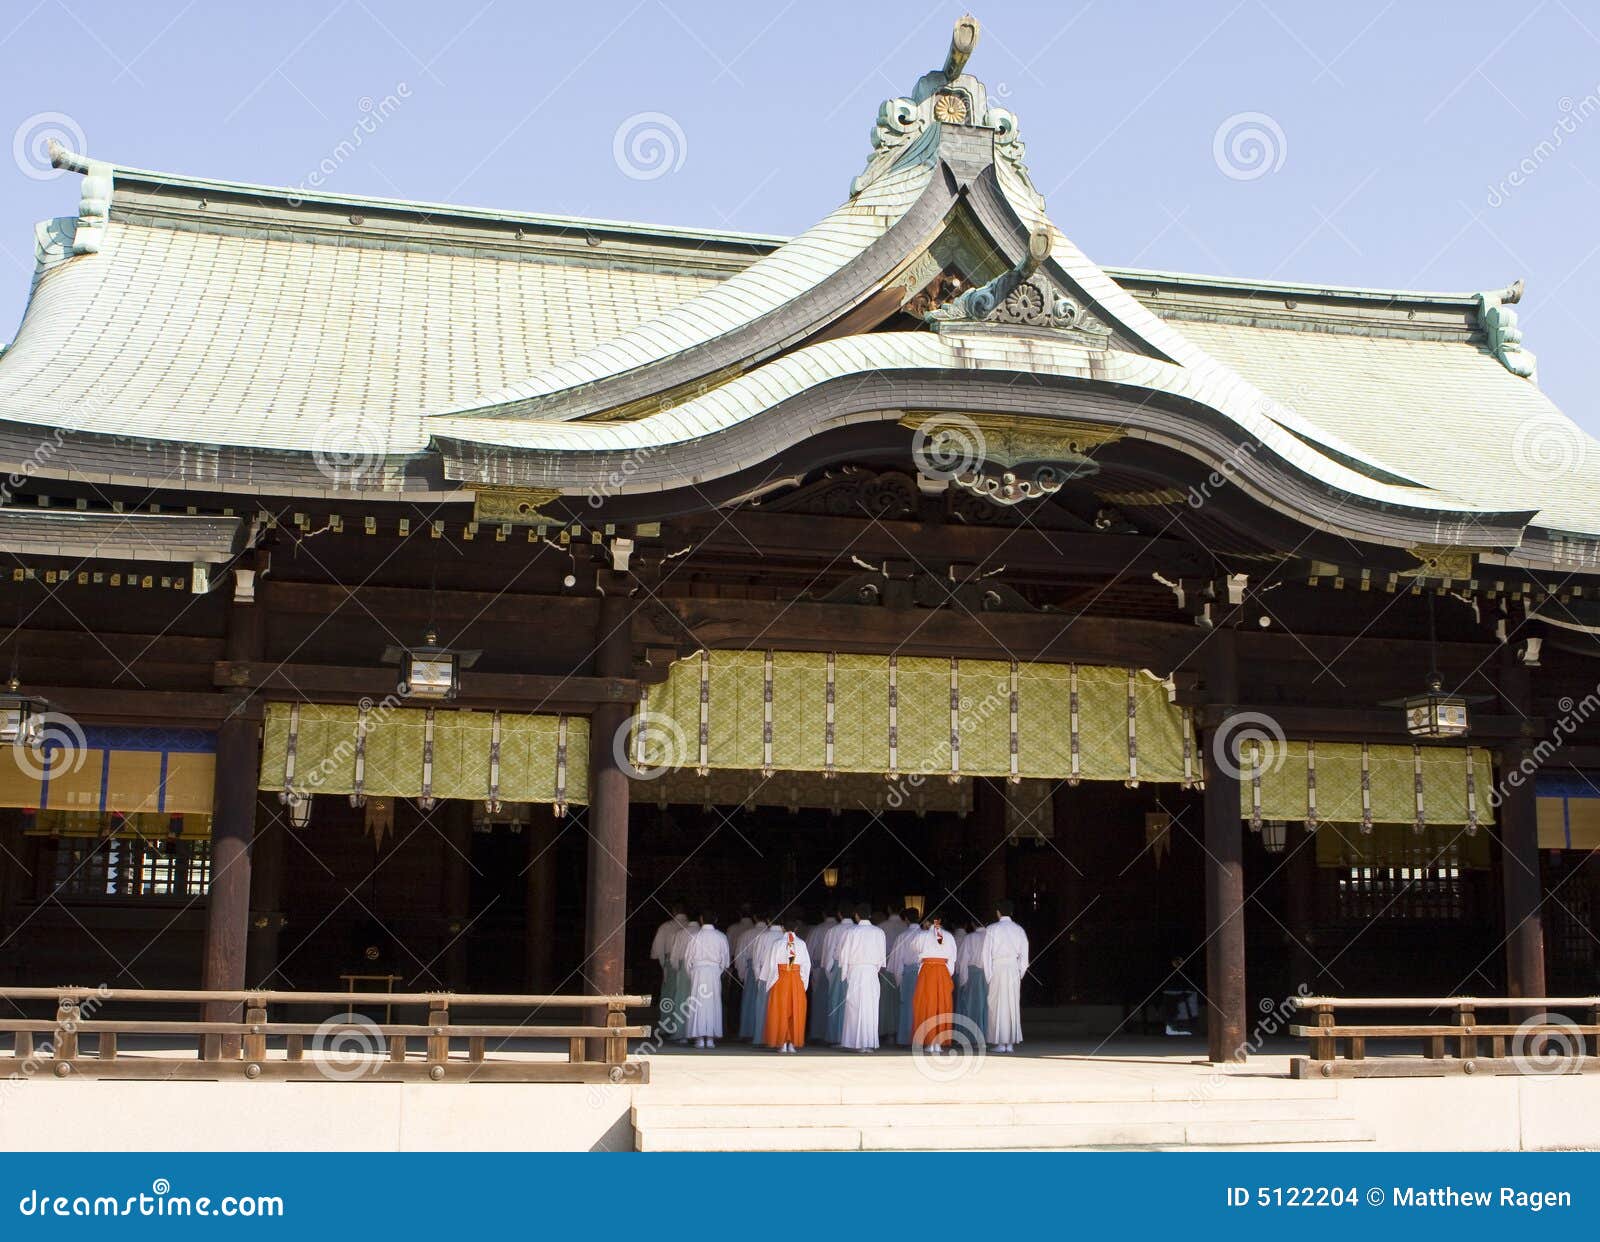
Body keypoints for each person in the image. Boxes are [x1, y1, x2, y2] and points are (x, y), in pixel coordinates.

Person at [982, 900, 1029, 1053]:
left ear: (998, 912)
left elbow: (986, 955)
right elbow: (1025, 956)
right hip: (1013, 968)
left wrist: (989, 976)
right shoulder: (1019, 930)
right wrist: (1020, 973)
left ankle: (1001, 1043)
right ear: (1012, 912)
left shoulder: (992, 929)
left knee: (997, 1005)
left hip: (997, 967)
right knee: (1011, 1004)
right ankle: (1009, 1043)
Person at [838, 905, 887, 1052]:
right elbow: (881, 957)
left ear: (856, 915)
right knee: (870, 1007)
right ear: (870, 915)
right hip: (871, 972)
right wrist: (873, 968)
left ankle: (856, 1043)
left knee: (855, 1005)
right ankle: (867, 1043)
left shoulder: (851, 932)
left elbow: (844, 955)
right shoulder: (879, 932)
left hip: (856, 971)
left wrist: (845, 973)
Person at [761, 918, 811, 1053]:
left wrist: (769, 979)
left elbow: (771, 964)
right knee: (795, 1010)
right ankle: (792, 1044)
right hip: (796, 980)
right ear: (796, 929)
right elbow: (806, 966)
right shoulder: (801, 944)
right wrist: (803, 982)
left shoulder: (777, 944)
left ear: (782, 928)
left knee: (780, 1010)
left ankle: (781, 1042)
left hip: (780, 979)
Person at [910, 914, 958, 1052]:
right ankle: (937, 1043)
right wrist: (947, 973)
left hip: (927, 971)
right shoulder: (949, 936)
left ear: (927, 922)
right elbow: (952, 957)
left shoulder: (922, 935)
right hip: (943, 970)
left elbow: (913, 949)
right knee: (942, 1005)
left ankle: (929, 1041)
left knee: (926, 1004)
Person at [682, 911, 731, 1049]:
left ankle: (699, 1038)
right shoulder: (721, 937)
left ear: (701, 920)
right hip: (714, 972)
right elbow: (725, 961)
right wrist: (718, 971)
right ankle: (710, 1039)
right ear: (715, 919)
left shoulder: (695, 937)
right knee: (713, 1003)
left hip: (698, 972)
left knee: (697, 1003)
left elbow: (687, 959)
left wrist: (692, 974)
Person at [650, 906, 689, 1040]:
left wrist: (663, 964)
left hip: (670, 963)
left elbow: (658, 949)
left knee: (668, 996)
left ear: (674, 911)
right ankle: (685, 1027)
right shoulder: (692, 928)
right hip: (688, 965)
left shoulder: (665, 927)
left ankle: (666, 1027)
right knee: (686, 996)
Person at [733, 912, 771, 1041]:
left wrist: (742, 974)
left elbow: (740, 956)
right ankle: (766, 1033)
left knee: (750, 1002)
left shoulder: (746, 934)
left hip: (752, 970)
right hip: (771, 972)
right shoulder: (776, 936)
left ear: (755, 917)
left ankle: (748, 1031)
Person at [665, 911, 701, 1042]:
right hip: (700, 969)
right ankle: (698, 1034)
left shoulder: (680, 933)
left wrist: (678, 969)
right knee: (699, 1001)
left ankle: (682, 1034)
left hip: (683, 969)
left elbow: (674, 957)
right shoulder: (702, 933)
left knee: (682, 1001)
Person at [876, 906, 911, 1038]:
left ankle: (885, 1031)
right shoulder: (906, 927)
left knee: (884, 1000)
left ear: (889, 909)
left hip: (884, 966)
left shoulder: (881, 927)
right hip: (905, 966)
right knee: (901, 999)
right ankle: (900, 1030)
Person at [890, 915, 925, 1046]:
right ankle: (920, 1038)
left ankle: (905, 1038)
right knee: (921, 1005)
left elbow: (897, 960)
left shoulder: (902, 936)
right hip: (923, 973)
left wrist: (899, 978)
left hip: (907, 974)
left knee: (906, 1005)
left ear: (907, 919)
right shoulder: (926, 935)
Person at [821, 910, 854, 1044]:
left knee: (836, 1001)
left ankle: (836, 1037)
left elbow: (828, 953)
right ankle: (851, 1038)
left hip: (837, 967)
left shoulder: (833, 931)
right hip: (854, 967)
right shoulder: (856, 930)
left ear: (839, 914)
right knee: (852, 1002)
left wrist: (829, 972)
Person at [805, 909, 838, 1043]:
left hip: (819, 968)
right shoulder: (845, 929)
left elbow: (808, 950)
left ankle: (818, 1033)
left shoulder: (817, 930)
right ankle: (834, 1034)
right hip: (841, 969)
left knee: (820, 1001)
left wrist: (810, 970)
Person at [955, 918, 988, 1045]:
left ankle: (969, 1037)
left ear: (972, 924)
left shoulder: (970, 938)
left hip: (972, 975)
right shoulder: (990, 938)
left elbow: (963, 959)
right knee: (985, 1006)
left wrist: (962, 979)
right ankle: (984, 1037)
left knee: (969, 1005)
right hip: (988, 975)